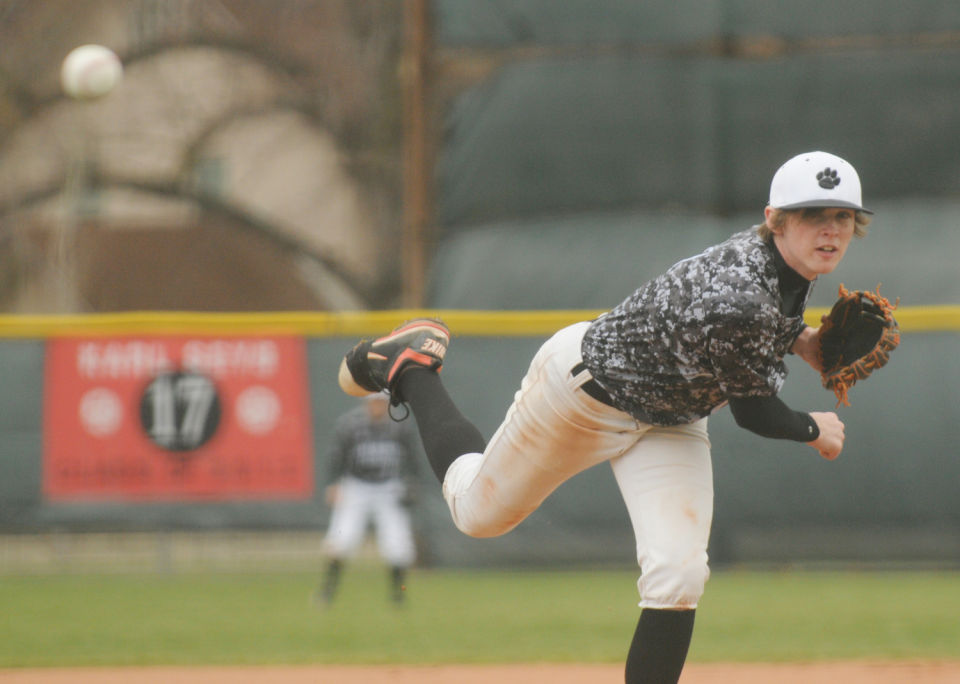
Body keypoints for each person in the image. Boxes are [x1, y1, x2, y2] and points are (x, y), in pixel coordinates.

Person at [336, 151, 871, 682]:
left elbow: (745, 329)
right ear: (775, 219)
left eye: (842, 217)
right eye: (811, 216)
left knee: (679, 575)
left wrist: (803, 341)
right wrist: (813, 429)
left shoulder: (783, 265)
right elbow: (755, 412)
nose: (830, 231)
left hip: (671, 420)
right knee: (476, 515)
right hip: (584, 398)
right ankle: (411, 369)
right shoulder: (742, 293)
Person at [316, 392, 420, 606]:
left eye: (381, 403)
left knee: (398, 545)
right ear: (365, 403)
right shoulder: (351, 426)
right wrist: (333, 482)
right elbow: (336, 455)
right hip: (356, 487)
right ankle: (327, 593)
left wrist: (411, 482)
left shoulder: (399, 427)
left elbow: (412, 459)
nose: (377, 407)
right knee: (340, 541)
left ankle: (398, 596)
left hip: (389, 488)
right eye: (373, 402)